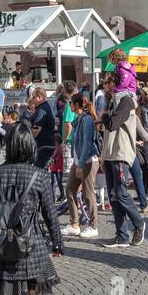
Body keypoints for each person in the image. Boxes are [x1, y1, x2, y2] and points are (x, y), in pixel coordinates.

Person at [0, 122, 64, 295]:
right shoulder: (39, 176)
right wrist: (57, 243)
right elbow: (50, 215)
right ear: (30, 147)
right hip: (30, 248)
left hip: (0, 248)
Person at [99, 72, 145, 248]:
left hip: (121, 152)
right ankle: (121, 236)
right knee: (113, 196)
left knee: (121, 193)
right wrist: (103, 154)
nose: (105, 87)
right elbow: (106, 132)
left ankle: (139, 223)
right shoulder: (112, 102)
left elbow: (112, 124)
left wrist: (102, 114)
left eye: (107, 84)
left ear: (116, 84)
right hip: (110, 153)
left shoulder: (126, 101)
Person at [62, 94, 100, 239]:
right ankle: (74, 224)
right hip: (79, 161)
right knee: (70, 189)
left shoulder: (87, 120)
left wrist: (81, 164)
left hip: (88, 161)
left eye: (71, 103)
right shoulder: (79, 119)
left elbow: (87, 143)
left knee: (88, 194)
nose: (69, 105)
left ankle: (93, 226)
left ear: (76, 104)